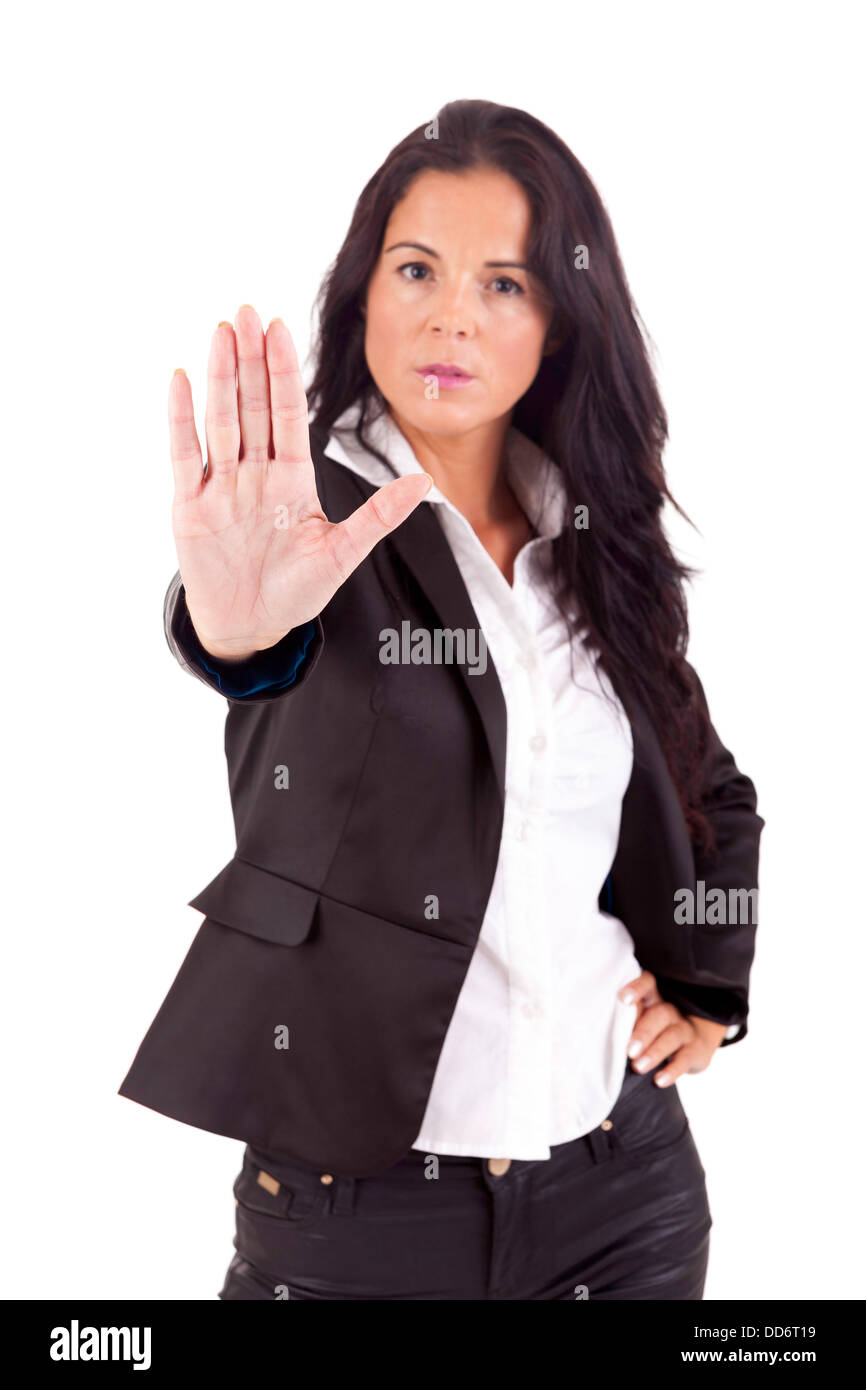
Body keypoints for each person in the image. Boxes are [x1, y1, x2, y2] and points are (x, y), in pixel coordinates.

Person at [118, 99, 764, 1300]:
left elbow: (700, 778)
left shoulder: (593, 541)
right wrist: (236, 629)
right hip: (356, 1214)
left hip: (621, 1192)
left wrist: (707, 987)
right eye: (415, 267)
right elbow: (242, 643)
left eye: (505, 284)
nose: (452, 311)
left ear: (558, 329)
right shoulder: (298, 526)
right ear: (365, 290)